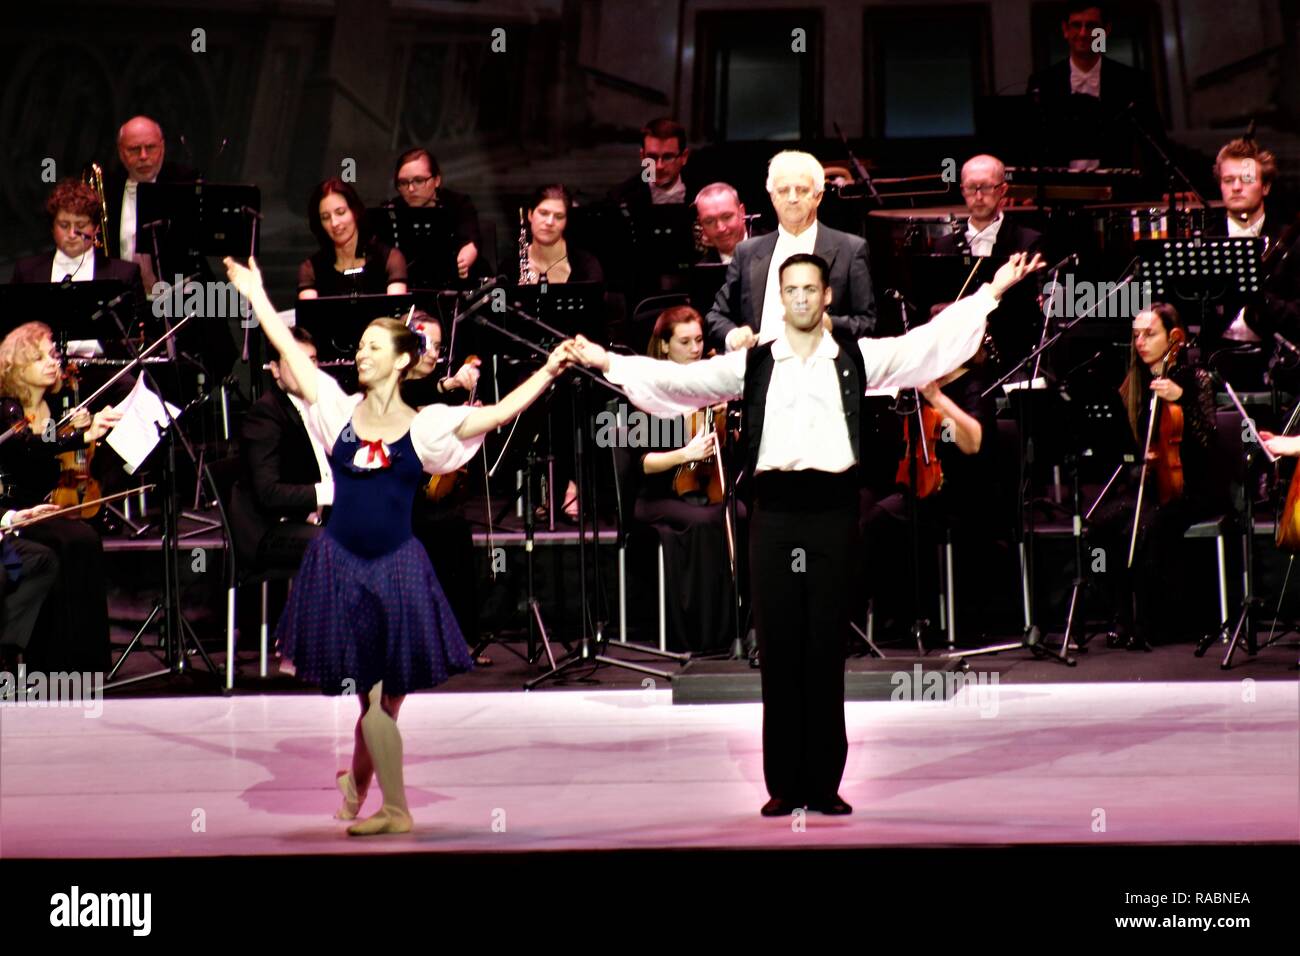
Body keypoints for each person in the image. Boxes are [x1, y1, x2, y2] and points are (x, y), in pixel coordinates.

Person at [569, 250, 1044, 816]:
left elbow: (925, 344)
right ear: (780, 297)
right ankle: (783, 785)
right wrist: (607, 360)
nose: (799, 298)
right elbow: (681, 381)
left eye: (809, 289)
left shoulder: (857, 357)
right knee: (780, 648)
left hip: (833, 511)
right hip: (774, 512)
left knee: (824, 646)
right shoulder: (753, 362)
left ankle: (823, 783)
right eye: (789, 289)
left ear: (826, 298)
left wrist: (991, 291)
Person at [225, 254, 575, 836]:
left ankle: (361, 789)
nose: (359, 353)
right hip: (341, 568)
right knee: (374, 697)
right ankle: (392, 806)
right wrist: (258, 292)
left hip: (396, 572)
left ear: (402, 360)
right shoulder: (336, 407)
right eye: (359, 347)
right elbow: (287, 349)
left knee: (385, 702)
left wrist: (549, 370)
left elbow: (500, 411)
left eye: (371, 347)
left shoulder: (428, 425)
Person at [1086, 304, 1222, 650]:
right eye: (1137, 336)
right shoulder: (1137, 383)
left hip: (1190, 485)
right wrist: (1136, 459)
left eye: (1150, 334)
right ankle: (1119, 611)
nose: (1141, 342)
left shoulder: (1195, 378)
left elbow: (1208, 440)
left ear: (1173, 336)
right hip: (1151, 482)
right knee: (1099, 525)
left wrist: (1184, 399)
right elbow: (1126, 445)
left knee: (1147, 526)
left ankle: (1154, 621)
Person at [860, 321, 1002, 639]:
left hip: (963, 492)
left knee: (880, 520)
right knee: (866, 509)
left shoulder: (975, 386)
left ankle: (900, 616)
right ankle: (890, 615)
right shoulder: (921, 383)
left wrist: (936, 397)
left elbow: (974, 442)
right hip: (920, 484)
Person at [0, 323, 121, 673]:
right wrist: (79, 437)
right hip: (12, 518)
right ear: (19, 367)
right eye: (39, 358)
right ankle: (52, 664)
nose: (53, 362)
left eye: (52, 354)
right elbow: (26, 449)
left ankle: (86, 664)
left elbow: (55, 446)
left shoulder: (53, 408)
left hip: (42, 511)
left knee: (84, 539)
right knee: (66, 544)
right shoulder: (8, 410)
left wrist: (89, 433)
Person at [629, 306, 738, 654]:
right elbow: (641, 463)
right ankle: (704, 634)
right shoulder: (649, 394)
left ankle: (743, 626)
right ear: (664, 346)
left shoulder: (709, 387)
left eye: (699, 340)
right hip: (657, 497)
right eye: (685, 341)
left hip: (705, 490)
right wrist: (685, 454)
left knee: (743, 513)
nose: (695, 349)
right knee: (709, 520)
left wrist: (729, 418)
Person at [705, 150, 876, 352]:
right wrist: (733, 336)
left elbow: (867, 323)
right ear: (772, 196)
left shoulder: (851, 249)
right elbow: (716, 316)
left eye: (802, 190)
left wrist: (830, 324)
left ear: (818, 197)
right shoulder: (747, 252)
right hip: (761, 372)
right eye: (783, 190)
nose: (792, 198)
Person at [400, 310, 490, 667]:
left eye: (439, 346)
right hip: (400, 496)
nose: (434, 353)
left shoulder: (439, 385)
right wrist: (451, 386)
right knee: (435, 530)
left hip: (436, 495)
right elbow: (417, 393)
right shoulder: (395, 384)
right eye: (427, 344)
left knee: (456, 533)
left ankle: (460, 640)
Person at [1197, 138, 1300, 387]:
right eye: (1228, 180)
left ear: (1265, 187)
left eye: (1246, 180)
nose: (1236, 188)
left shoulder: (1292, 243)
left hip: (1278, 367)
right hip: (1215, 366)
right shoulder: (1203, 243)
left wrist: (1260, 301)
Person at [1025, 2, 1164, 171]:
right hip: (1058, 191)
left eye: (1091, 26)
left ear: (1105, 31)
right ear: (1065, 30)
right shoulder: (1042, 82)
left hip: (1119, 191)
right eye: (1076, 25)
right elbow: (1032, 143)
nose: (1083, 33)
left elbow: (1155, 144)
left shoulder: (1132, 81)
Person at [933, 155, 1043, 368]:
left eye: (985, 187)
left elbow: (1032, 312)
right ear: (963, 190)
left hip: (1012, 358)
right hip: (956, 362)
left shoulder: (1027, 242)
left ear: (1002, 190)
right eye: (971, 188)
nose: (978, 195)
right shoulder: (943, 246)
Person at [11, 180, 144, 295]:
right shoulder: (26, 272)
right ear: (52, 227)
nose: (72, 234)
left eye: (81, 225)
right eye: (64, 225)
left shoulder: (125, 274)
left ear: (96, 228)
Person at [298, 178, 408, 299]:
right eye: (325, 217)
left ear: (355, 212)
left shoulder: (389, 258)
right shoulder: (311, 269)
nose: (334, 223)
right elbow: (309, 315)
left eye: (340, 212)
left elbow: (396, 308)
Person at [386, 148, 483, 283]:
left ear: (436, 180)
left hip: (455, 284)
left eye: (419, 180)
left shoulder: (458, 203)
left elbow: (470, 240)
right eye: (403, 183)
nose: (411, 189)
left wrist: (463, 261)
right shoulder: (392, 210)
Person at [517, 184, 604, 285]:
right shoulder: (510, 267)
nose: (549, 222)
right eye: (543, 213)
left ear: (567, 221)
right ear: (530, 215)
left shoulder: (586, 266)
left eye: (559, 216)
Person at [608, 118, 696, 209]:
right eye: (652, 157)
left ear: (684, 157)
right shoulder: (620, 197)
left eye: (668, 157)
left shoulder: (700, 191)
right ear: (642, 156)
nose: (659, 166)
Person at [694, 183, 750, 265]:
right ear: (701, 224)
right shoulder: (701, 272)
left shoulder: (773, 247)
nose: (720, 228)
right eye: (709, 222)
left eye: (727, 217)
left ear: (742, 213)